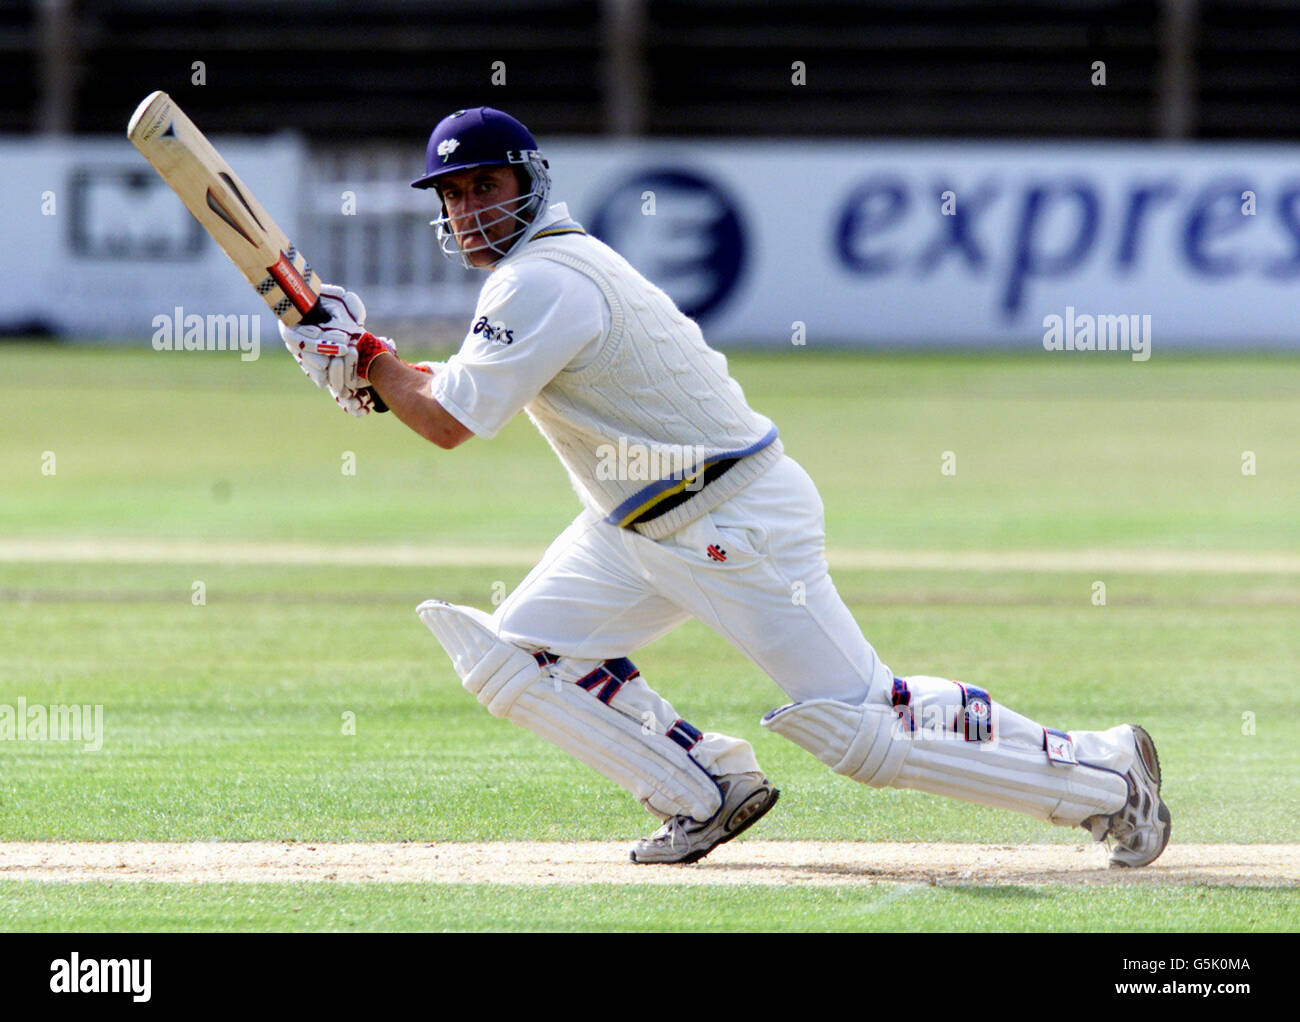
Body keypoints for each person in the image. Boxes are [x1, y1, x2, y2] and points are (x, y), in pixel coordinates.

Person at [280, 107, 1171, 867]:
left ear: (530, 184)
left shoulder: (539, 279)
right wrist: (372, 369)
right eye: (454, 195)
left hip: (728, 521)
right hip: (633, 524)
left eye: (486, 188)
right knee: (520, 660)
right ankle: (705, 785)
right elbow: (455, 392)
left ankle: (1102, 775)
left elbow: (447, 421)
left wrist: (365, 359)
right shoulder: (540, 274)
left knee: (864, 729)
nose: (469, 211)